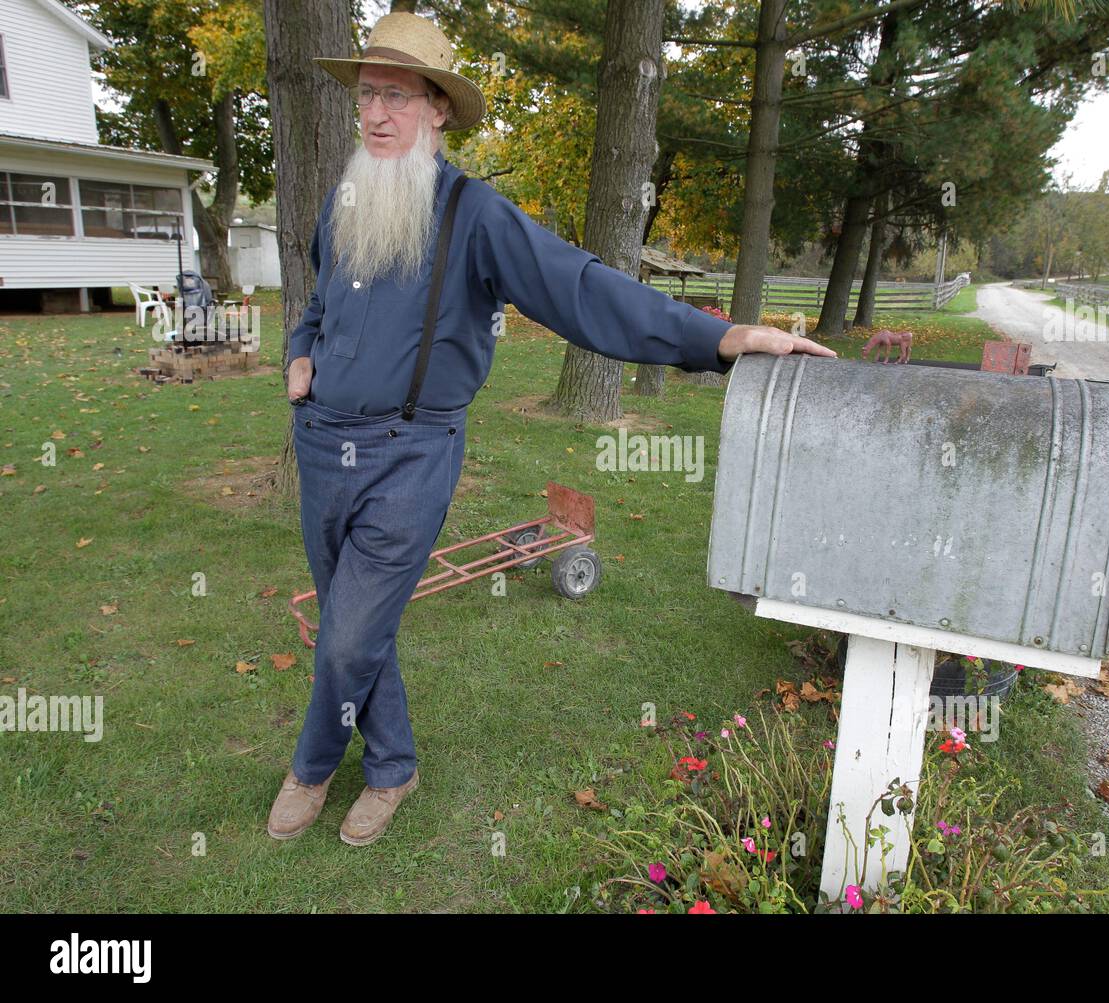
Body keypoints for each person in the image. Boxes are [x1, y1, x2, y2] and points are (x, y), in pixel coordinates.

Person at [268, 11, 836, 846]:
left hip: (410, 456)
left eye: (396, 95)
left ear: (438, 111)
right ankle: (392, 765)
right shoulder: (346, 198)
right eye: (367, 96)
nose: (376, 114)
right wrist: (300, 353)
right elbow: (319, 304)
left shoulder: (476, 215)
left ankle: (311, 766)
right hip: (323, 446)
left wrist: (720, 337)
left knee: (348, 633)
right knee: (363, 626)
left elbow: (584, 289)